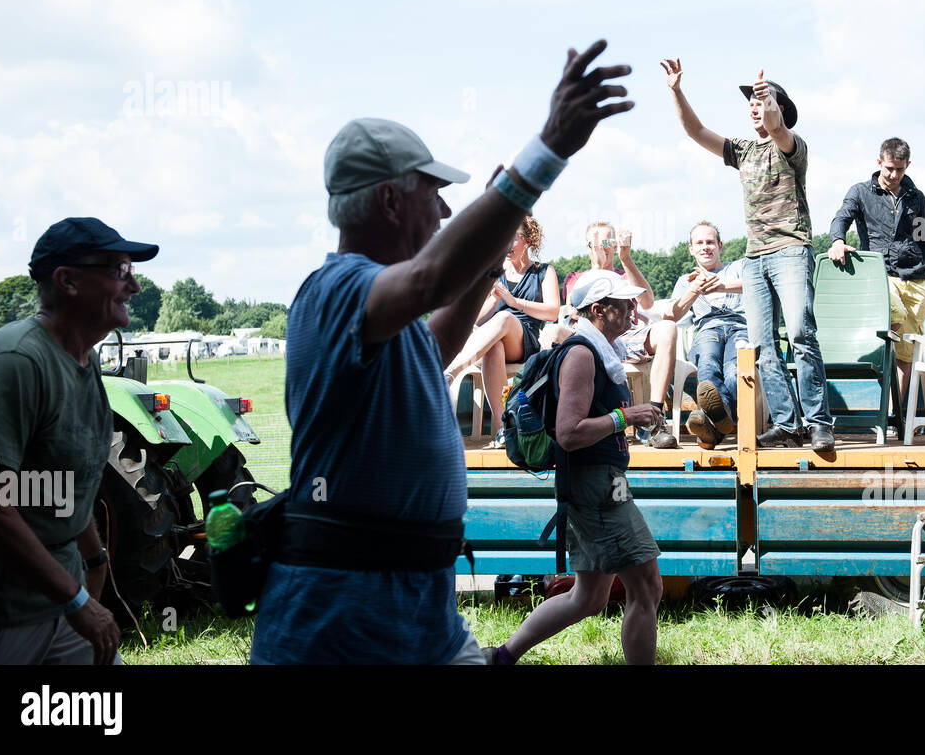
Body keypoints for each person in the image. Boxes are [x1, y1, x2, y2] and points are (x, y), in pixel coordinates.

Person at [248, 39, 633, 664]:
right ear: (390, 200)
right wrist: (547, 151)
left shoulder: (376, 319)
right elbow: (432, 280)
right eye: (433, 192)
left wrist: (502, 222)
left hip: (406, 610)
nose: (446, 209)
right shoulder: (335, 289)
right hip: (344, 623)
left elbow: (437, 340)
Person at [0, 217, 159, 665]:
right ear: (68, 281)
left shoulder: (84, 361)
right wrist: (77, 601)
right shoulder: (14, 362)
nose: (133, 285)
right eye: (119, 270)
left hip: (59, 604)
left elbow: (61, 481)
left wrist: (93, 561)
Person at [485, 270, 665, 665]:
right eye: (624, 302)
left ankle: (501, 656)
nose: (633, 308)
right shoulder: (583, 355)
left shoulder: (600, 352)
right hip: (597, 488)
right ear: (598, 310)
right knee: (647, 587)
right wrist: (626, 417)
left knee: (588, 596)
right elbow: (568, 432)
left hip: (592, 484)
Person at [662, 57, 835, 450]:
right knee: (762, 346)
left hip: (791, 250)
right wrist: (676, 90)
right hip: (755, 258)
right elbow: (696, 131)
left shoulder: (792, 147)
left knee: (801, 333)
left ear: (780, 108)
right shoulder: (742, 151)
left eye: (762, 100)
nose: (755, 107)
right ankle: (789, 425)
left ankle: (819, 423)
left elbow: (776, 125)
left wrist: (767, 100)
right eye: (752, 102)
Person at [828, 137, 925, 438]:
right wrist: (837, 240)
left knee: (904, 353)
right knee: (894, 319)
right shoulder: (861, 192)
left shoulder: (916, 197)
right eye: (890, 168)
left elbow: (923, 237)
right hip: (879, 275)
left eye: (900, 170)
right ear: (879, 163)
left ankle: (894, 417)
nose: (894, 175)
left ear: (907, 166)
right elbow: (841, 218)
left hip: (916, 277)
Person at [559, 222, 680, 450]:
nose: (604, 248)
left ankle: (655, 419)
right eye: (597, 242)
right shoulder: (578, 278)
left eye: (608, 242)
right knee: (553, 332)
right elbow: (574, 311)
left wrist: (626, 258)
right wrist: (599, 267)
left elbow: (647, 302)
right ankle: (553, 417)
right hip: (591, 337)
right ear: (587, 246)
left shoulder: (625, 275)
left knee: (668, 328)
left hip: (627, 337)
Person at [445, 215, 560, 427]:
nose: (508, 244)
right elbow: (475, 318)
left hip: (523, 340)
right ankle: (502, 427)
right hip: (488, 341)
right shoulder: (493, 272)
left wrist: (515, 302)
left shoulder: (544, 271)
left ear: (528, 240)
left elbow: (553, 312)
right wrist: (492, 300)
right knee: (494, 347)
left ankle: (450, 371)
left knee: (505, 317)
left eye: (514, 238)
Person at [669, 221, 747, 450]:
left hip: (740, 326)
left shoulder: (738, 267)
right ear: (691, 249)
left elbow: (756, 284)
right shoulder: (686, 281)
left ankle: (712, 429)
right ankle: (719, 424)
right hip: (707, 328)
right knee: (708, 364)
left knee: (735, 369)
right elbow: (674, 315)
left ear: (720, 245)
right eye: (700, 243)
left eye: (710, 242)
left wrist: (723, 285)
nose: (706, 247)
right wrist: (693, 291)